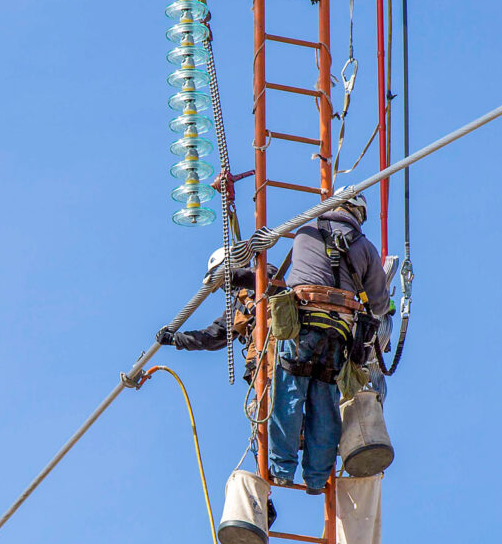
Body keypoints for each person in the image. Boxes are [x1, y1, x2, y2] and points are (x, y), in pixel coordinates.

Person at [268, 193, 389, 493]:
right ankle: (317, 479)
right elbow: (378, 304)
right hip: (337, 335)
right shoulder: (365, 248)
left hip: (301, 327)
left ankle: (281, 469)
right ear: (359, 215)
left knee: (288, 397)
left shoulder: (304, 233)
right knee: (325, 405)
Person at [155, 248, 277, 384]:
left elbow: (262, 279)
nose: (224, 286)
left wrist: (229, 275)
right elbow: (213, 336)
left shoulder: (263, 271)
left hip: (281, 346)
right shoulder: (237, 309)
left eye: (221, 279)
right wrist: (176, 339)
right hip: (263, 367)